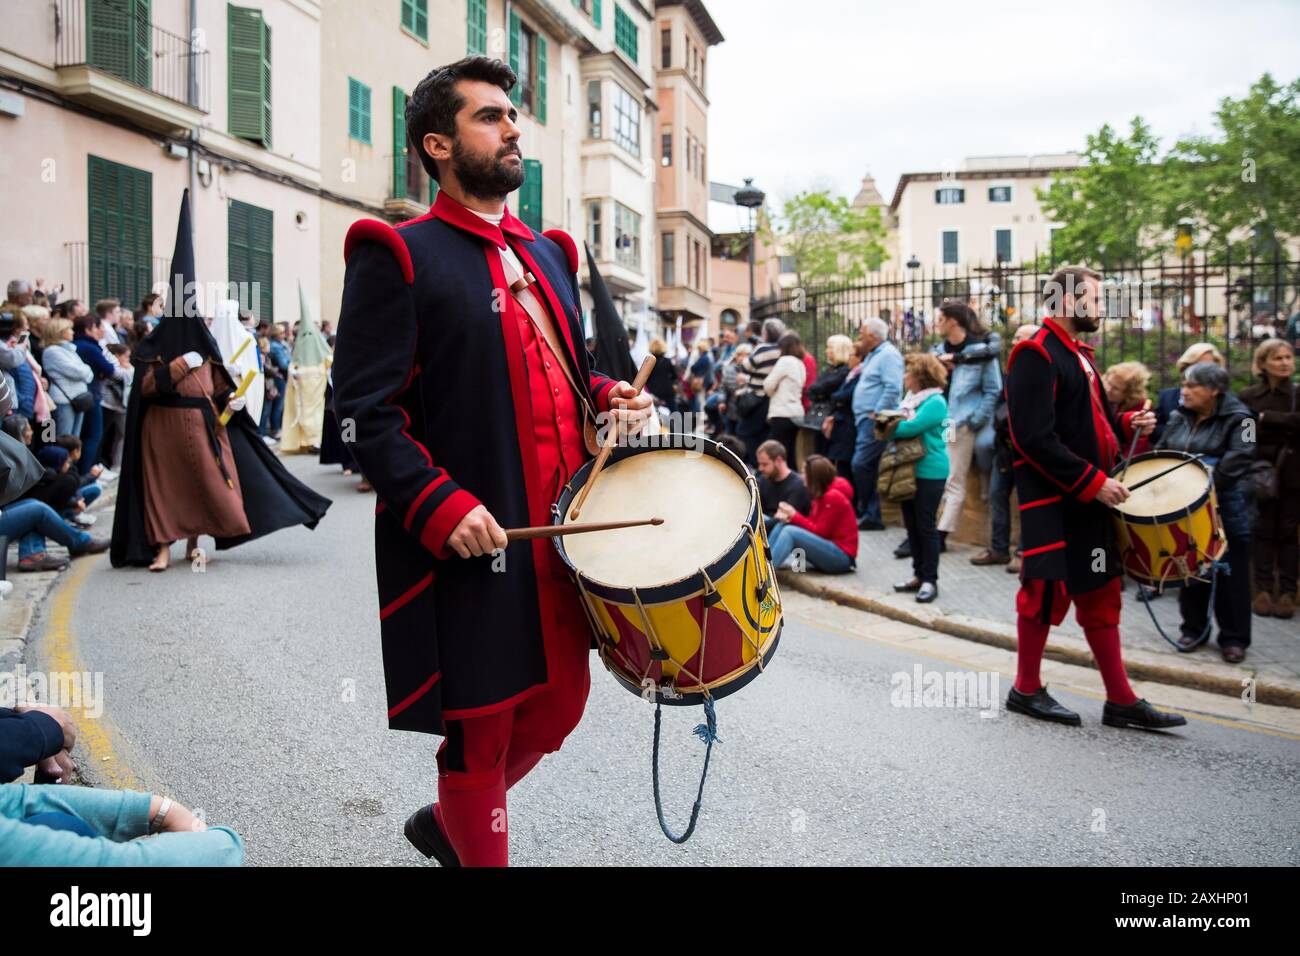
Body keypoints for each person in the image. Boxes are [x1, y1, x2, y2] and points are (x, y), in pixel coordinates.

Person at [331, 56, 655, 868]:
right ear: (438, 144)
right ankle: (473, 829)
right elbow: (366, 416)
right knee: (480, 733)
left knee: (560, 709)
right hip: (479, 537)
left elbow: (571, 373)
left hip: (566, 531)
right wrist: (442, 509)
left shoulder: (549, 254)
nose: (512, 127)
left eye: (512, 114)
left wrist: (615, 395)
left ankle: (452, 823)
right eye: (489, 116)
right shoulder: (399, 253)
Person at [110, 190, 331, 572]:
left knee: (206, 490)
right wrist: (177, 367)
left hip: (203, 429)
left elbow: (220, 386)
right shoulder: (153, 348)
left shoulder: (206, 348)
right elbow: (146, 389)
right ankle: (161, 548)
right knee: (163, 491)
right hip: (161, 430)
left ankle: (195, 544)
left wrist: (232, 401)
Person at [1004, 265, 1184, 730]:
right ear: (1069, 302)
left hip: (1091, 498)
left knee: (1101, 592)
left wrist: (1127, 424)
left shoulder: (1080, 355)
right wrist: (1093, 482)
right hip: (1057, 499)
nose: (1102, 309)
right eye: (1097, 300)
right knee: (1043, 592)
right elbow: (1031, 438)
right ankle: (1025, 689)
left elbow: (1091, 422)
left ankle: (1120, 700)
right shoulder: (1034, 353)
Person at [1157, 362, 1255, 661]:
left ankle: (1234, 638)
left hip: (1226, 505)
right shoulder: (1177, 416)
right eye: (1183, 385)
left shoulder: (1243, 418)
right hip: (1185, 507)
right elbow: (1163, 450)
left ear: (1214, 390)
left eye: (1191, 386)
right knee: (1191, 570)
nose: (1183, 392)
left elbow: (1241, 457)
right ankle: (1193, 628)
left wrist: (1197, 475)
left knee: (1230, 573)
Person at [931, 302, 1002, 551]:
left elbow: (993, 390)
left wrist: (975, 420)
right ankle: (931, 531)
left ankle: (940, 534)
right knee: (940, 474)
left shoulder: (981, 352)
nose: (936, 324)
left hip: (963, 422)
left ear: (953, 321)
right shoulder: (938, 351)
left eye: (940, 319)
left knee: (953, 478)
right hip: (942, 421)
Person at [1239, 338, 1299, 619]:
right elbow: (1247, 433)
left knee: (1288, 533)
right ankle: (1262, 589)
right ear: (1263, 364)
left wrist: (1266, 418)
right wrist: (1281, 423)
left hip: (1293, 473)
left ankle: (1287, 591)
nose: (1285, 363)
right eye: (1278, 358)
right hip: (1262, 472)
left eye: (1288, 357)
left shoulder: (1297, 393)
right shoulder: (1249, 396)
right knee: (1262, 530)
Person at [884, 352, 950, 603]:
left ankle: (930, 580)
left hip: (930, 470)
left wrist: (886, 426)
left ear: (920, 376)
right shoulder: (911, 400)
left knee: (926, 526)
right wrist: (888, 425)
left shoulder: (935, 402)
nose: (905, 376)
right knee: (911, 526)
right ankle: (918, 575)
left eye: (909, 371)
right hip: (908, 469)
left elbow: (908, 427)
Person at [973, 323, 1040, 569]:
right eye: (1014, 339)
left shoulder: (1042, 371)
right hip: (1001, 444)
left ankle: (1023, 553)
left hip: (1026, 449)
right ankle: (998, 548)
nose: (1014, 343)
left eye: (1020, 339)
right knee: (996, 495)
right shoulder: (1011, 370)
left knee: (1026, 501)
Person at [850, 316, 903, 531]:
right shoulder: (874, 355)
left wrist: (877, 414)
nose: (859, 338)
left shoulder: (888, 355)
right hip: (864, 419)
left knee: (861, 464)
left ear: (872, 336)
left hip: (873, 421)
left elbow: (892, 388)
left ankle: (872, 513)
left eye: (862, 334)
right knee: (865, 465)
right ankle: (871, 513)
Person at [768, 454, 857, 573]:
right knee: (783, 525)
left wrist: (794, 515)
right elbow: (812, 524)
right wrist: (790, 517)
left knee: (790, 532)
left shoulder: (833, 496)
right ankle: (763, 563)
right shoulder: (822, 494)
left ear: (814, 477)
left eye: (804, 473)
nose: (802, 476)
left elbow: (820, 532)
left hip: (842, 557)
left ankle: (766, 575)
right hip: (832, 549)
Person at [280, 287, 332, 452]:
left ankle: (316, 440)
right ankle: (305, 441)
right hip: (303, 388)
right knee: (303, 413)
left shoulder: (319, 346)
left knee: (316, 414)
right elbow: (292, 364)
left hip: (317, 387)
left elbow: (329, 360)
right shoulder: (300, 345)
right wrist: (293, 372)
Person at [1151, 343, 1223, 444]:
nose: (1200, 371)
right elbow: (1155, 432)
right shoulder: (1167, 398)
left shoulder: (1231, 408)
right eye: (1196, 365)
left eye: (1207, 367)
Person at [735, 318, 785, 462]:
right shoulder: (782, 349)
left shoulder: (763, 349)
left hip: (756, 397)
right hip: (771, 398)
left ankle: (752, 463)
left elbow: (745, 367)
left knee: (743, 432)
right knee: (762, 433)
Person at [37, 317, 93, 440]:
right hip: (64, 400)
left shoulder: (69, 349)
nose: (72, 332)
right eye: (69, 329)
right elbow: (79, 372)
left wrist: (85, 370)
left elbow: (88, 374)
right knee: (64, 439)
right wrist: (85, 370)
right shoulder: (52, 351)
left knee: (74, 441)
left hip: (78, 398)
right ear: (60, 331)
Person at [813, 334, 858, 476]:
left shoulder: (845, 371)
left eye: (830, 347)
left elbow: (824, 389)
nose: (827, 351)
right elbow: (814, 390)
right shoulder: (830, 369)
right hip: (823, 416)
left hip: (836, 420)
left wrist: (825, 394)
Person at [763, 331, 808, 457]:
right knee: (791, 452)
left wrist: (774, 389)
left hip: (782, 412)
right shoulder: (800, 363)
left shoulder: (785, 361)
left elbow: (768, 385)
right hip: (797, 412)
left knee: (777, 452)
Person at [755, 439, 811, 528]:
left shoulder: (797, 485)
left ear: (778, 460)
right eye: (760, 464)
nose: (760, 468)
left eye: (765, 464)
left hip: (786, 528)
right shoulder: (764, 480)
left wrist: (756, 528)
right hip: (768, 523)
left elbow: (785, 519)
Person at [1102, 361, 1153, 457]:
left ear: (1129, 393)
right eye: (1108, 382)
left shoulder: (1140, 407)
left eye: (1115, 388)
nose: (1108, 389)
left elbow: (1138, 444)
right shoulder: (1098, 392)